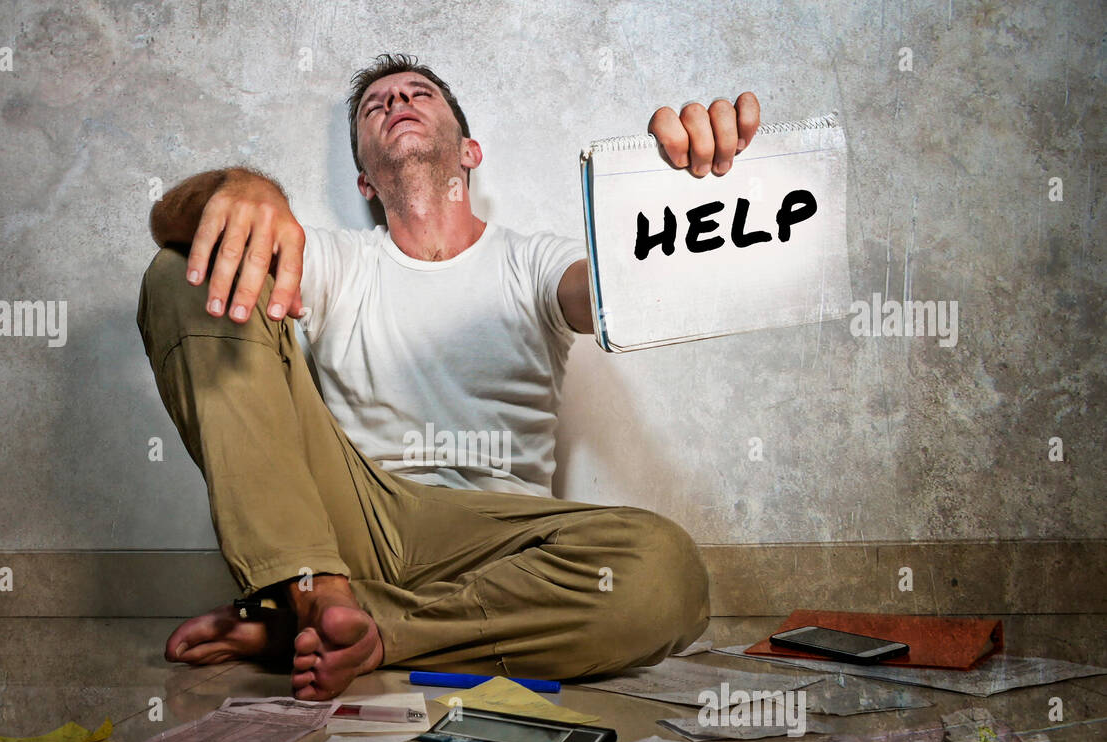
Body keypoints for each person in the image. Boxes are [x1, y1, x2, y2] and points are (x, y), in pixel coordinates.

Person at [137, 53, 760, 701]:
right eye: (376, 105)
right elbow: (177, 227)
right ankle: (314, 593)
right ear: (364, 182)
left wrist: (692, 192)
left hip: (499, 546)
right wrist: (239, 190)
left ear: (469, 151)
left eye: (419, 94)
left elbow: (621, 291)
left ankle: (344, 625)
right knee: (184, 270)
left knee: (666, 571)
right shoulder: (332, 260)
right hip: (353, 518)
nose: (396, 102)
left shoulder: (533, 260)